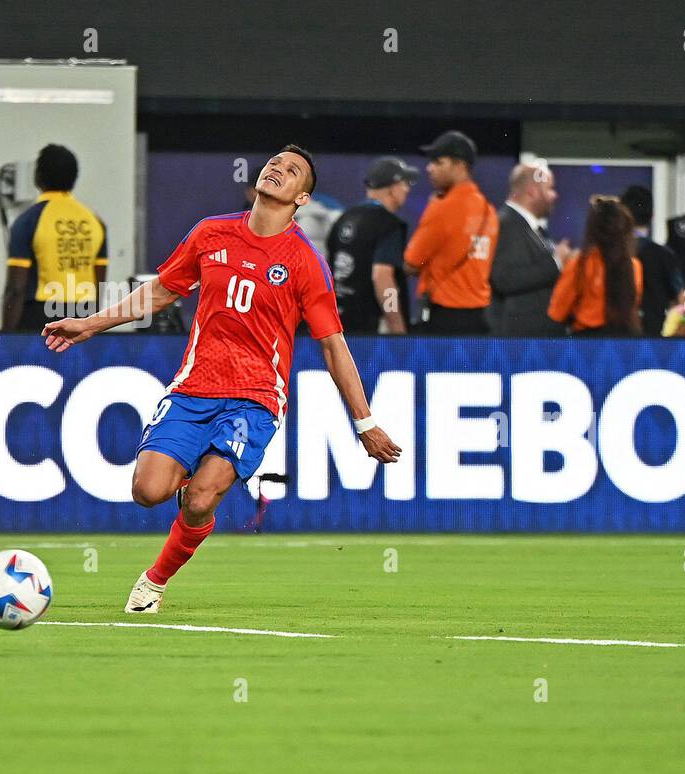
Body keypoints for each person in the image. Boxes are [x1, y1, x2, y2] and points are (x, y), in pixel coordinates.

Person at [40, 145, 401, 613]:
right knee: (148, 492)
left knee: (200, 499)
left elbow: (333, 345)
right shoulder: (211, 234)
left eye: (291, 171)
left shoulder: (305, 263)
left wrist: (364, 422)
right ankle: (190, 474)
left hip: (254, 401)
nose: (277, 169)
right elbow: (161, 292)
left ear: (303, 198)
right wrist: (89, 324)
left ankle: (155, 580)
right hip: (194, 389)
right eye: (274, 162)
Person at [2, 144, 108, 331]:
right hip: (83, 315)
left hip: (40, 316)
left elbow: (16, 289)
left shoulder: (28, 221)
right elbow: (98, 285)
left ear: (38, 178)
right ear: (74, 179)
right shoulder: (95, 222)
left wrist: (5, 338)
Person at [403, 130, 499, 335]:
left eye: (438, 162)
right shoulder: (487, 209)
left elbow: (411, 264)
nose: (430, 168)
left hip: (445, 318)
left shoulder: (443, 206)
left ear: (460, 166)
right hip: (479, 317)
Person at [327, 155, 418, 334]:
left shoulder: (343, 219)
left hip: (337, 324)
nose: (407, 189)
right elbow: (383, 279)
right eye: (404, 184)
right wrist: (397, 327)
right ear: (393, 189)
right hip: (370, 331)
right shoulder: (389, 224)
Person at [487, 162, 572, 336]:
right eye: (550, 189)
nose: (554, 195)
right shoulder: (506, 224)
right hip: (517, 342)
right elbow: (503, 278)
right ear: (532, 191)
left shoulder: (529, 227)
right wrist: (555, 263)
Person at [547, 197, 643, 337]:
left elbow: (557, 312)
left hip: (588, 345)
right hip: (625, 344)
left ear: (592, 229)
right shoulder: (635, 267)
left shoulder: (579, 264)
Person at [621, 185, 684, 337]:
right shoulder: (665, 255)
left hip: (618, 339)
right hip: (655, 337)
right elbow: (684, 298)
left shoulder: (610, 254)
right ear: (653, 216)